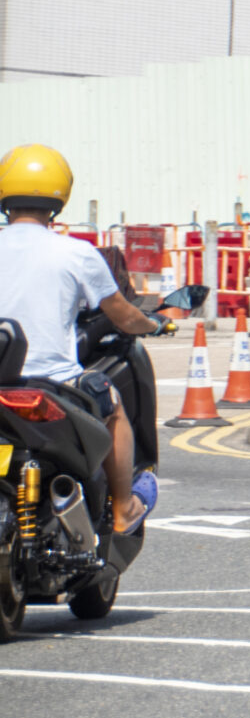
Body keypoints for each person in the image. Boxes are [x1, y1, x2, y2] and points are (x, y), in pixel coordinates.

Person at [0, 145, 168, 533]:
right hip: (52, 383)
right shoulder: (76, 253)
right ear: (59, 198)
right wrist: (153, 324)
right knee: (114, 407)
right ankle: (124, 507)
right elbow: (124, 316)